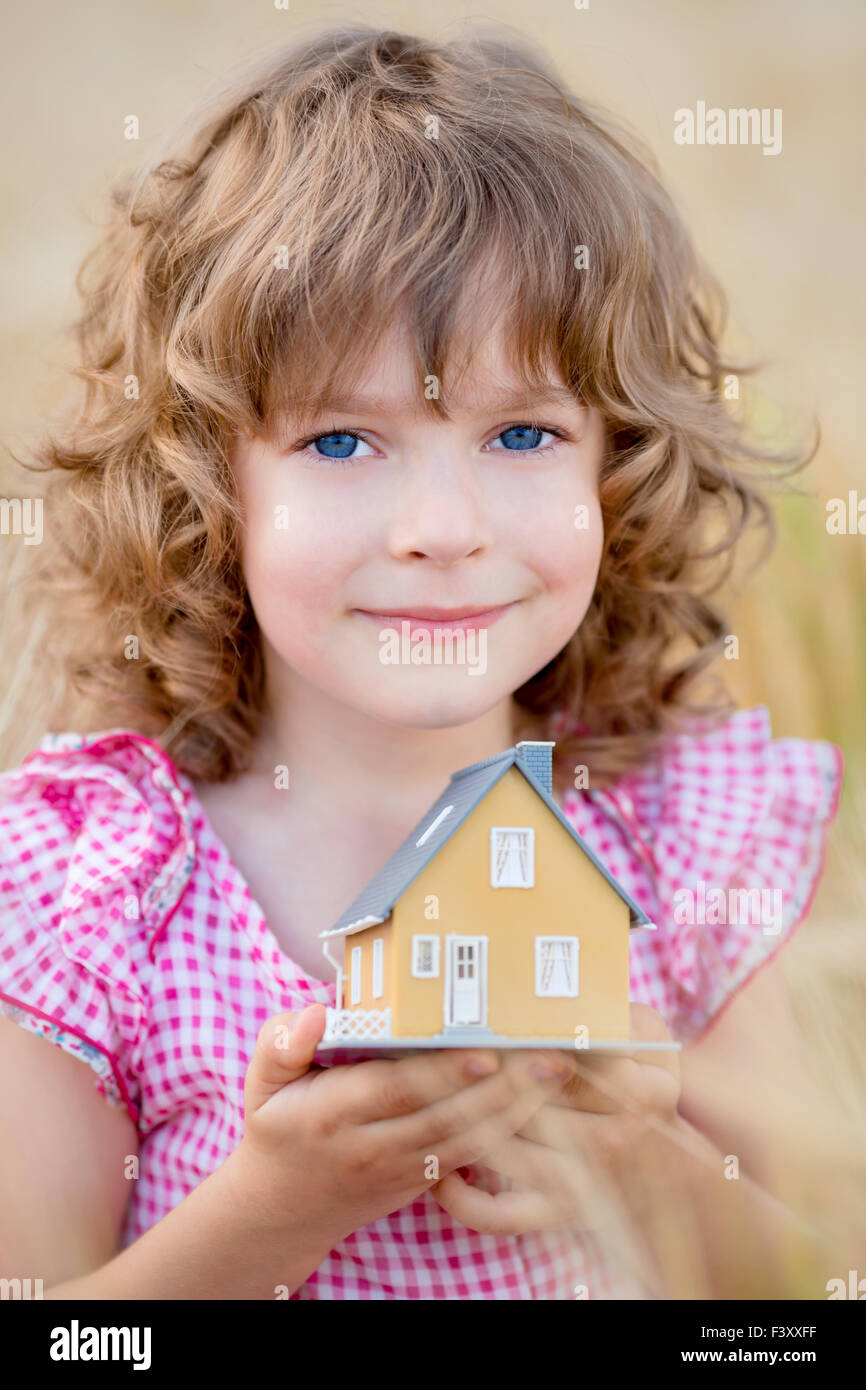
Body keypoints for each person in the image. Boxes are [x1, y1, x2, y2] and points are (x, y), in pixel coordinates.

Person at [0, 25, 843, 1299]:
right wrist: (272, 1211)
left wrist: (647, 1171)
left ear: (612, 459)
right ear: (207, 485)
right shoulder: (93, 894)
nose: (442, 530)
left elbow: (807, 1296)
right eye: (343, 441)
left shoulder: (679, 839)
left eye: (519, 432)